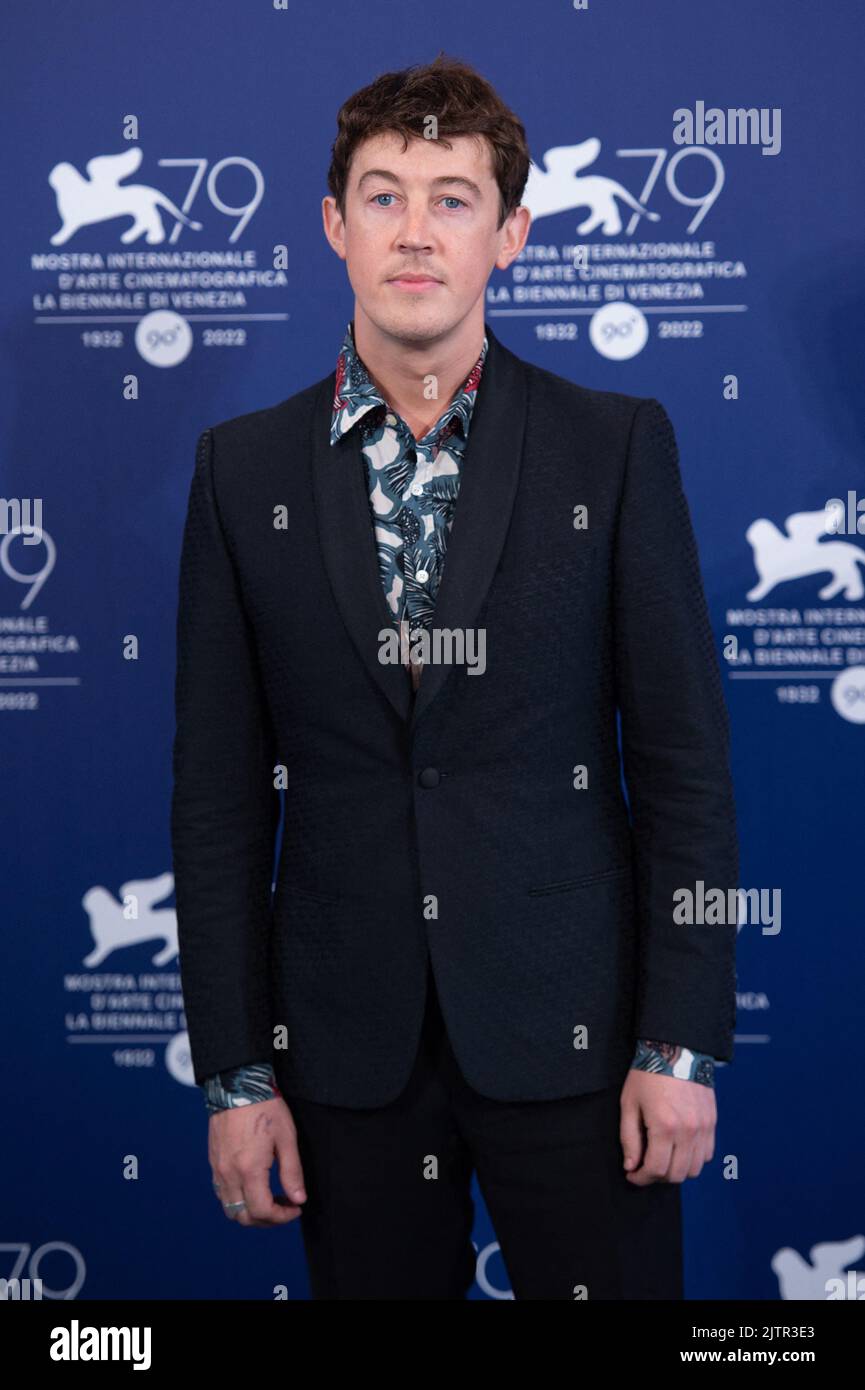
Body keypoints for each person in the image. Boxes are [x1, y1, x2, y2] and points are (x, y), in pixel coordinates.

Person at [171, 53, 738, 1300]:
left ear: (511, 233)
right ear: (332, 226)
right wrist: (236, 1076)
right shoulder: (240, 471)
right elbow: (216, 805)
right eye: (382, 197)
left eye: (451, 198)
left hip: (579, 1042)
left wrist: (681, 1044)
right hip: (342, 1053)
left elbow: (686, 767)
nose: (414, 233)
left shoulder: (615, 447)